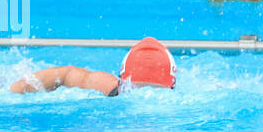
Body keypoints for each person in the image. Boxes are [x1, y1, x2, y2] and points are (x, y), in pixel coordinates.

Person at [10, 36, 176, 95]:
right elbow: (66, 74)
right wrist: (13, 89)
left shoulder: (109, 88)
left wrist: (11, 90)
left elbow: (67, 73)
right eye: (139, 88)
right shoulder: (105, 87)